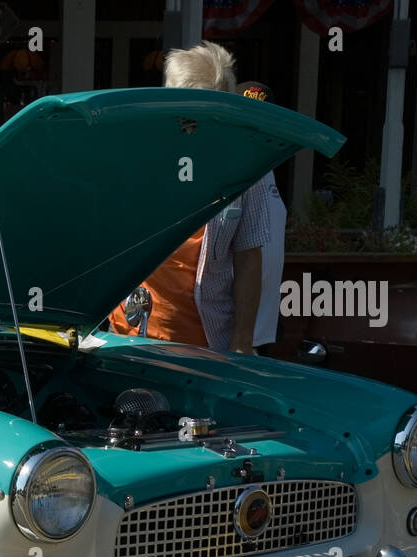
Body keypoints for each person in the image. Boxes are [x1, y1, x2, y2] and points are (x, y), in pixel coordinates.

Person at [107, 41, 271, 354]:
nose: (196, 126)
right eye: (189, 115)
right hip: (129, 335)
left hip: (210, 341)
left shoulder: (246, 165)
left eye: (211, 114)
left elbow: (249, 256)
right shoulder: (137, 156)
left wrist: (242, 340)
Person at [236, 80, 289, 356]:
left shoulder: (267, 166)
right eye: (248, 118)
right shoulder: (230, 168)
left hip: (262, 329)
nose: (255, 126)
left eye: (263, 118)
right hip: (234, 335)